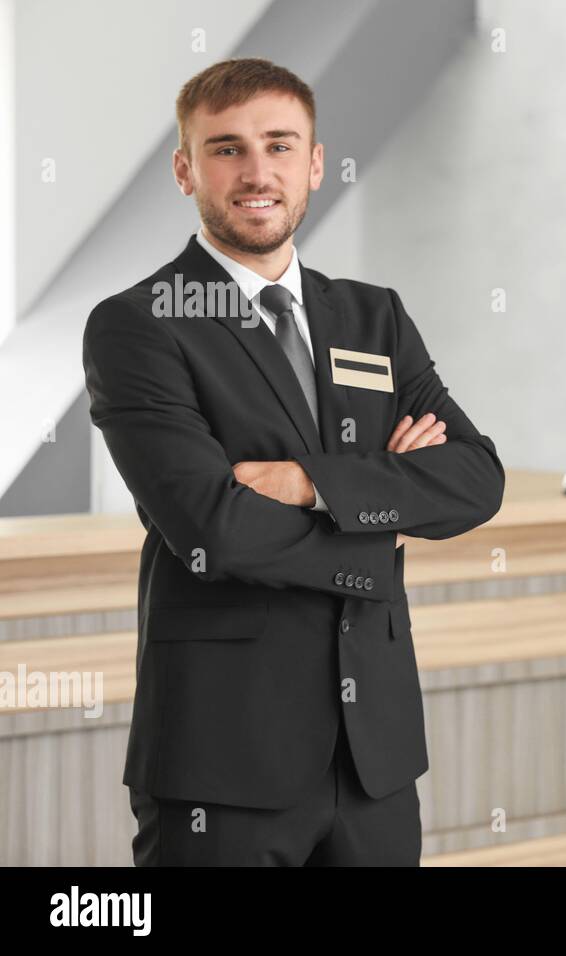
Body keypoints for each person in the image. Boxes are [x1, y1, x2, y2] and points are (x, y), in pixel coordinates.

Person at [81, 57, 504, 865]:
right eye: (227, 149)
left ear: (314, 163)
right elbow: (213, 528)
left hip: (375, 757)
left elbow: (475, 480)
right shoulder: (139, 325)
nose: (257, 172)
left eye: (279, 145)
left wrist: (309, 483)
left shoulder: (372, 316)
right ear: (185, 169)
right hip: (224, 756)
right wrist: (383, 520)